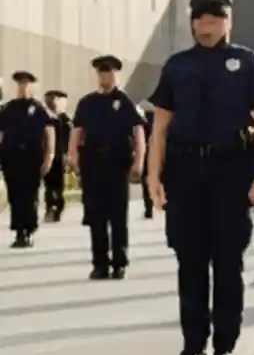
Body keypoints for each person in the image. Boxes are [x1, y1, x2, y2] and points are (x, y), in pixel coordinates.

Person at [147, 0, 254, 355]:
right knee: (189, 260)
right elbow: (160, 127)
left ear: (228, 21)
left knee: (227, 260)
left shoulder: (247, 61)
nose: (208, 23)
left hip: (231, 171)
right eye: (202, 17)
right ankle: (193, 345)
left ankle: (224, 344)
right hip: (185, 172)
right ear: (192, 22)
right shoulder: (177, 66)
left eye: (216, 16)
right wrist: (154, 176)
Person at [68, 55, 146, 279]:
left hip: (116, 163)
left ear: (117, 74)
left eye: (110, 71)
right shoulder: (87, 103)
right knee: (95, 215)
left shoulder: (125, 101)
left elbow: (138, 133)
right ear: (98, 74)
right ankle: (100, 263)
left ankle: (119, 261)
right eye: (102, 71)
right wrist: (72, 155)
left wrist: (138, 161)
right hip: (92, 163)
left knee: (117, 215)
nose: (106, 75)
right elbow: (77, 131)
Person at [0, 71, 55, 248]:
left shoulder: (39, 109)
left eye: (26, 83)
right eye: (20, 84)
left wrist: (49, 157)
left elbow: (49, 133)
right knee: (15, 196)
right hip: (11, 157)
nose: (23, 87)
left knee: (30, 194)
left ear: (32, 86)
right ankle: (18, 231)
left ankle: (29, 230)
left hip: (32, 158)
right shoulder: (8, 108)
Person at [43, 90, 71, 222]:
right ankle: (50, 207)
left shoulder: (65, 120)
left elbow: (69, 139)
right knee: (48, 184)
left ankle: (58, 207)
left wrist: (68, 156)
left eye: (53, 99)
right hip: (47, 156)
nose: (50, 102)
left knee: (58, 185)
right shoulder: (45, 119)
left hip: (60, 157)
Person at [140, 105, 156, 218]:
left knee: (146, 181)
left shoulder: (144, 121)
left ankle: (149, 208)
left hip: (148, 152)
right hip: (152, 151)